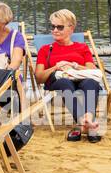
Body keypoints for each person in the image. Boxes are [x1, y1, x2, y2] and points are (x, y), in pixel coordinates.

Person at [33, 8, 103, 143]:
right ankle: (87, 124)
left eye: (59, 27)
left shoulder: (82, 47)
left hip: (81, 77)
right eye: (52, 26)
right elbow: (39, 77)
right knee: (65, 83)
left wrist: (73, 65)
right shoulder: (45, 49)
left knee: (91, 83)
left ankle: (83, 122)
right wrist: (56, 67)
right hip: (58, 80)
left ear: (71, 28)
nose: (55, 30)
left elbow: (91, 70)